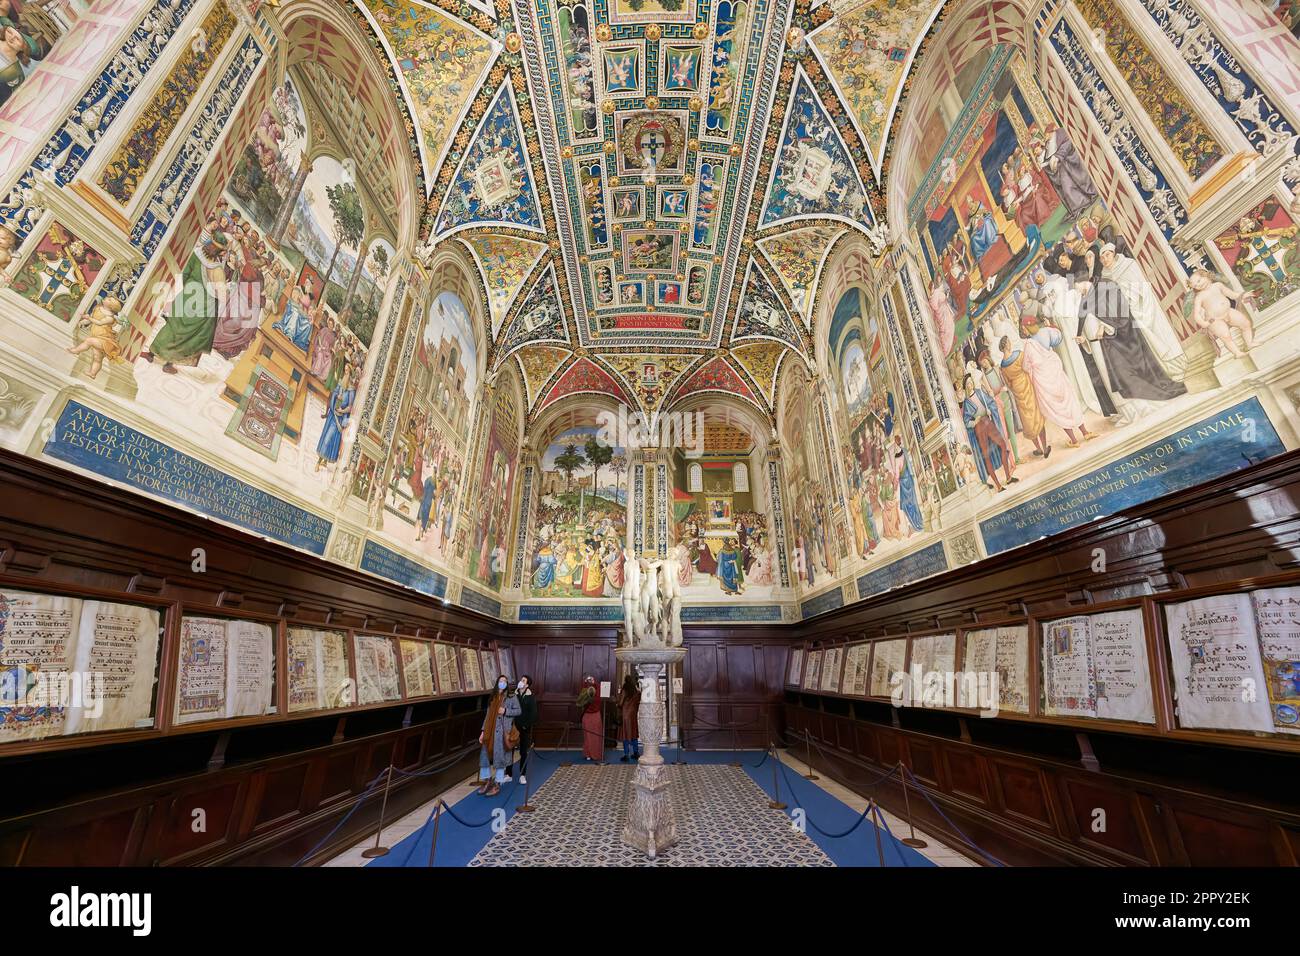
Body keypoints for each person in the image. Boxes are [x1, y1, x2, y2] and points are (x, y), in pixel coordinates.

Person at [477, 674, 521, 797]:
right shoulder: (493, 696)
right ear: (497, 683)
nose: (502, 683)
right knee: (484, 756)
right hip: (489, 731)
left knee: (500, 758)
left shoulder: (511, 697)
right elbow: (487, 715)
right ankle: (487, 781)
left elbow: (518, 711)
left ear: (507, 684)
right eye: (501, 681)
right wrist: (482, 731)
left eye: (505, 681)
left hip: (502, 732)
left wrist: (506, 711)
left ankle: (497, 784)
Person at [508, 674, 537, 785]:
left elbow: (533, 714)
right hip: (513, 727)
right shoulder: (513, 694)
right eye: (521, 679)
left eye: (523, 680)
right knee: (509, 750)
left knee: (523, 752)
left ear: (527, 684)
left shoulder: (530, 696)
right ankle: (508, 774)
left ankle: (522, 775)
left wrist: (525, 725)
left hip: (524, 728)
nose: (521, 681)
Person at [578, 674, 603, 762]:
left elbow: (582, 692)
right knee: (596, 736)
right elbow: (599, 689)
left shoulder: (585, 696)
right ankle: (596, 754)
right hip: (596, 717)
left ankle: (588, 755)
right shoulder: (597, 698)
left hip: (587, 717)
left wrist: (585, 682)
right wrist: (594, 682)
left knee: (587, 737)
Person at [615, 674, 641, 762]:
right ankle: (636, 753)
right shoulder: (636, 691)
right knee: (634, 733)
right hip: (633, 714)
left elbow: (621, 702)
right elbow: (639, 701)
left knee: (625, 734)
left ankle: (626, 754)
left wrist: (617, 704)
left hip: (625, 714)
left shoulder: (625, 689)